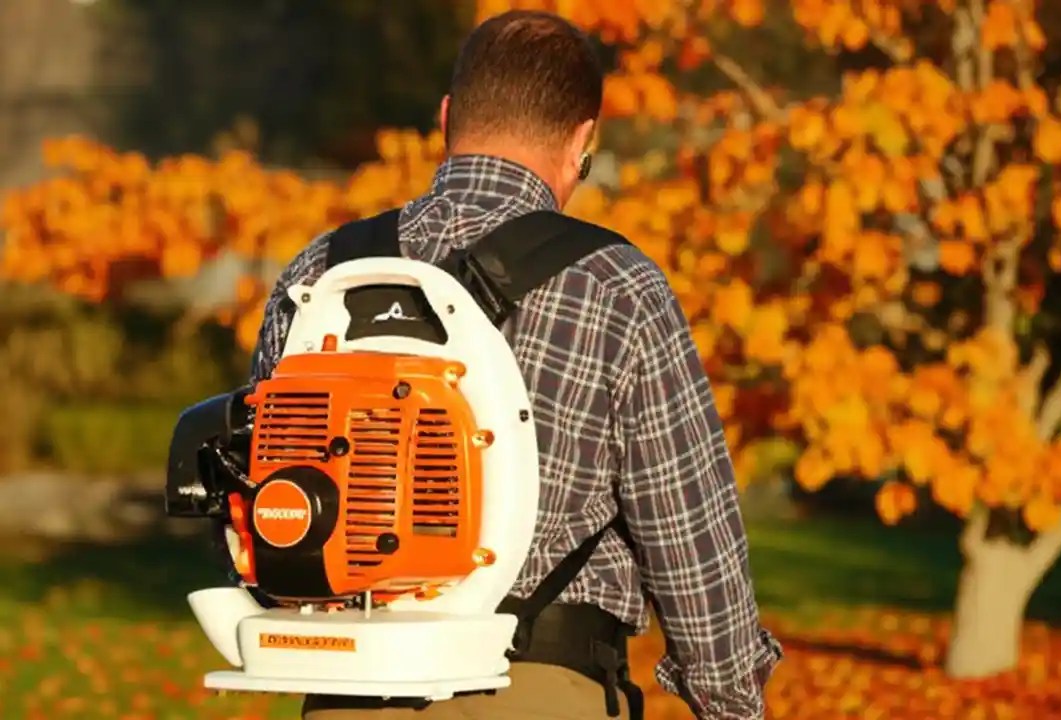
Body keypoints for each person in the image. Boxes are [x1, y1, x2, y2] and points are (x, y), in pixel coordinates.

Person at [245, 9, 781, 719]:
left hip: (351, 691)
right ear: (583, 140)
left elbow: (262, 489)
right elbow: (690, 540)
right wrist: (731, 699)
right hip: (540, 690)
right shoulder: (616, 286)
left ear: (446, 120)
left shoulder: (325, 272)